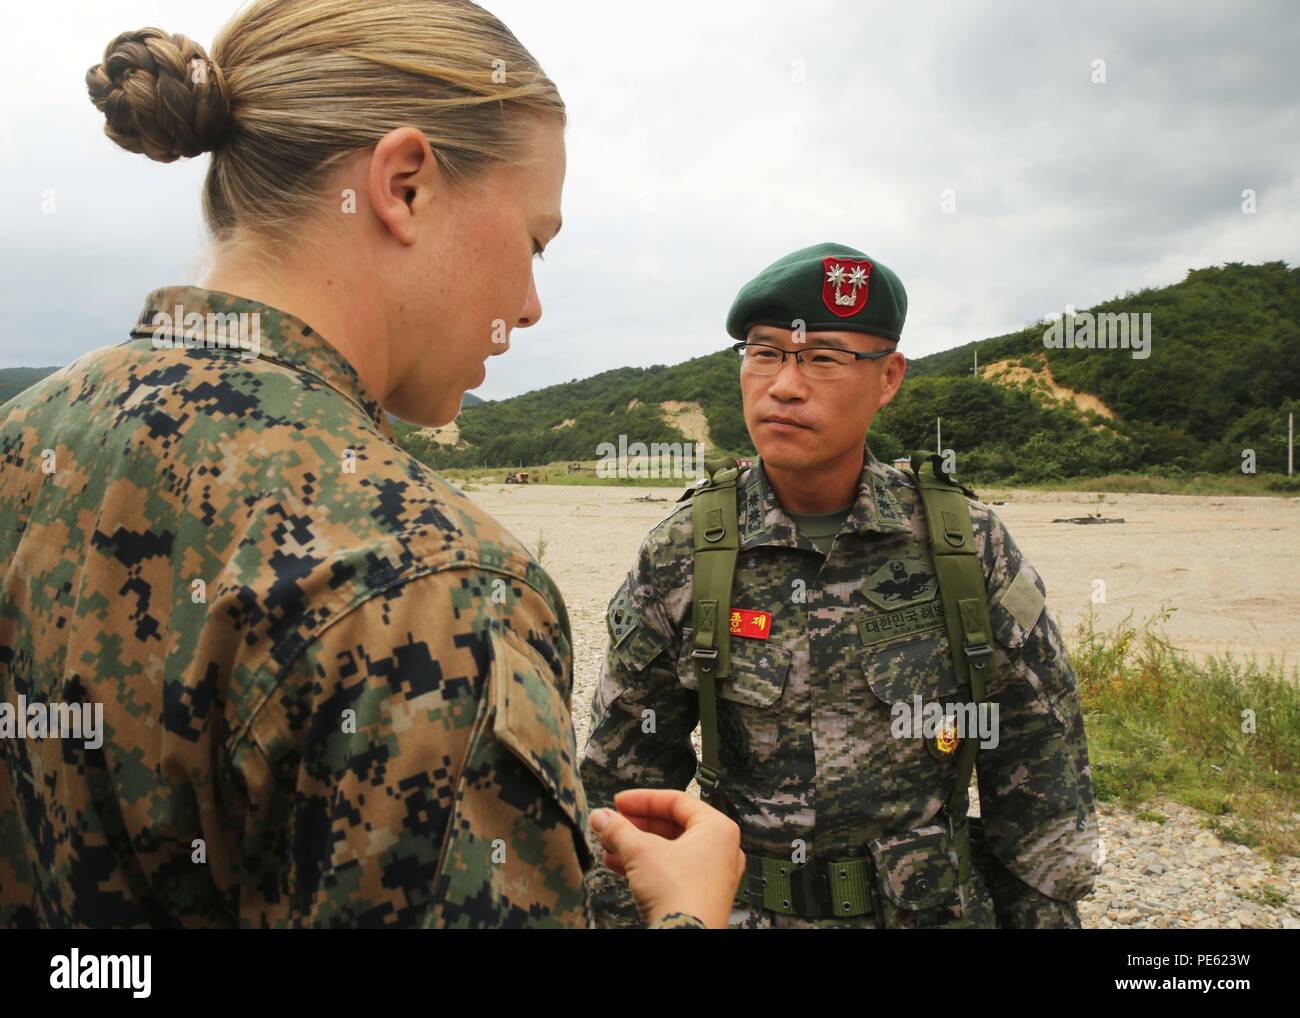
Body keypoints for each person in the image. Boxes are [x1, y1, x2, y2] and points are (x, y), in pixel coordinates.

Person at [0, 0, 743, 929]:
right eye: (535, 241)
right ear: (404, 186)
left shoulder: (25, 439)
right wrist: (691, 918)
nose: (533, 302)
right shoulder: (437, 585)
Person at [580, 242, 1099, 928]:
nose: (784, 386)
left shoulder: (965, 546)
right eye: (765, 353)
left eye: (823, 359)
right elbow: (622, 791)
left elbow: (1040, 771)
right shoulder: (682, 553)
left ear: (888, 378)